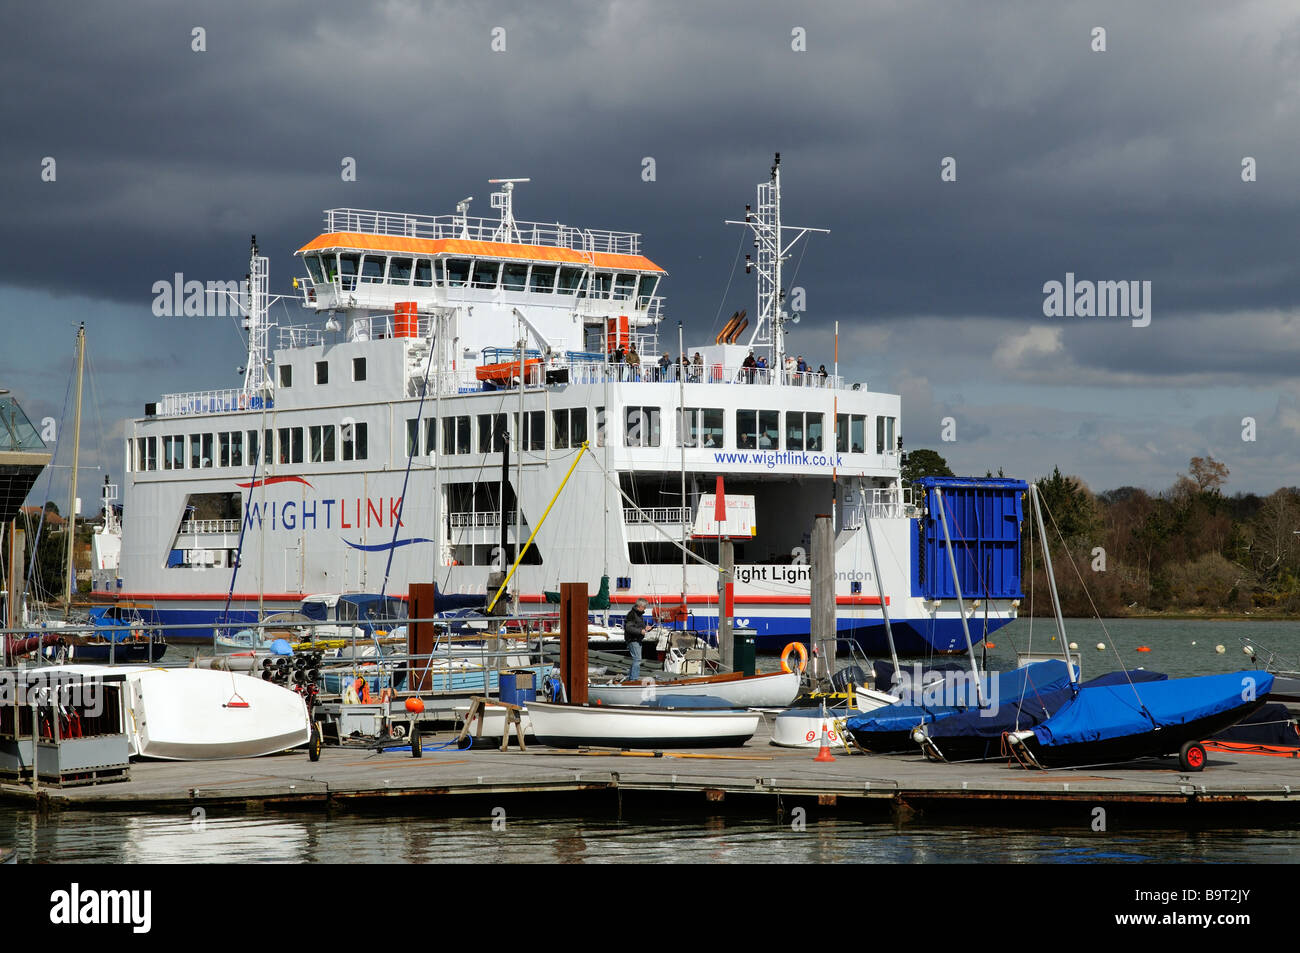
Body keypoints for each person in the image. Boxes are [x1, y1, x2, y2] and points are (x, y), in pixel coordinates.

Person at [623, 598, 649, 680]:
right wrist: (640, 631)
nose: (645, 608)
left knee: (636, 660)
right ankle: (633, 679)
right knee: (637, 660)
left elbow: (638, 626)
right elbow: (628, 628)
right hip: (633, 639)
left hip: (637, 639)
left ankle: (631, 678)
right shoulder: (632, 614)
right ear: (640, 606)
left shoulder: (638, 614)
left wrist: (646, 628)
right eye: (644, 607)